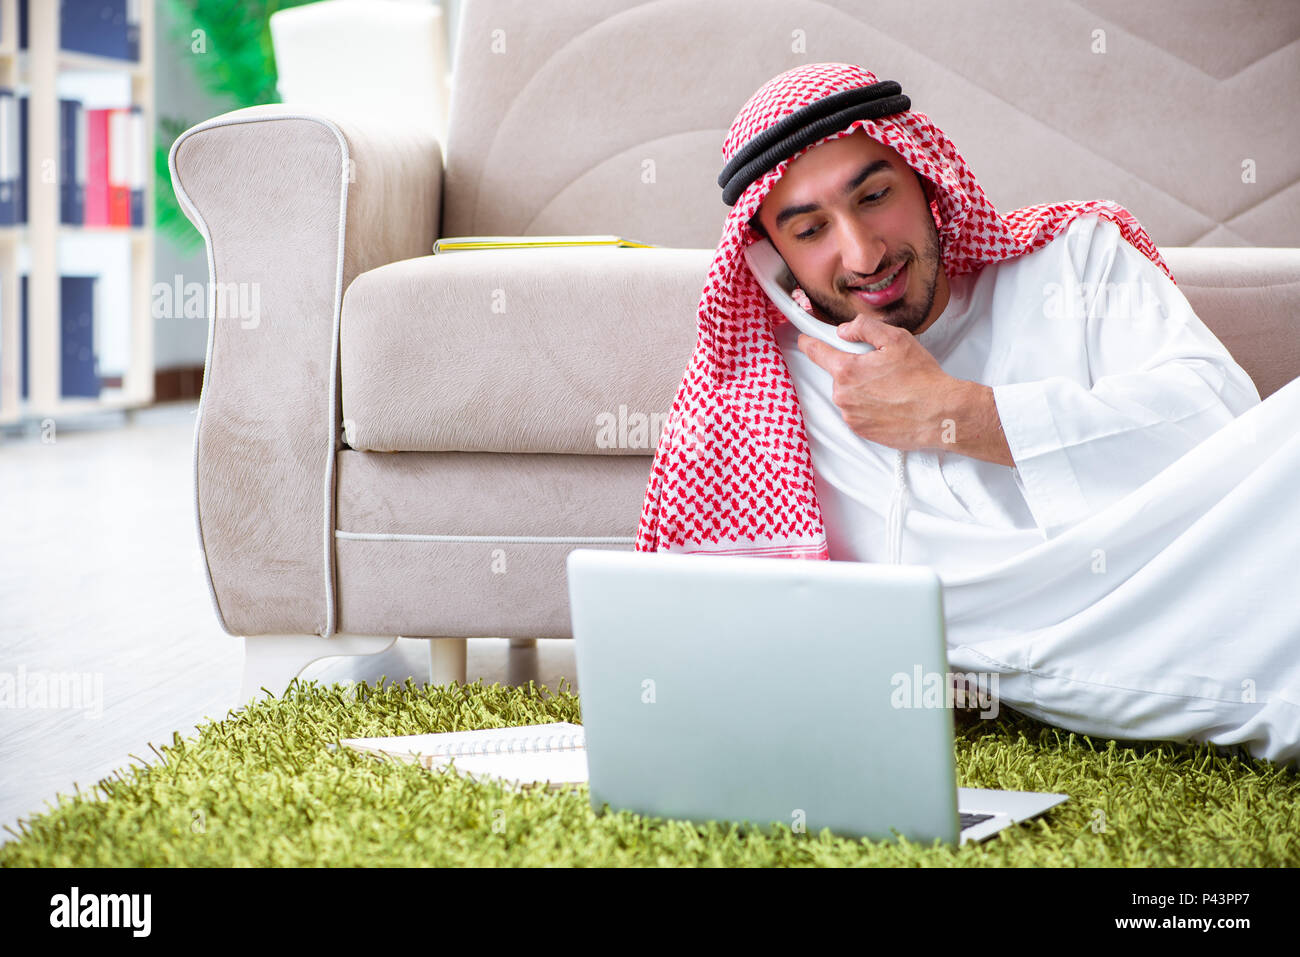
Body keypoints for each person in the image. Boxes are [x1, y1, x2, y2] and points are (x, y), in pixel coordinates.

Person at [636, 62, 1300, 764]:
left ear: (927, 179)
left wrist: (958, 413)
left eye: (874, 195)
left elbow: (1222, 425)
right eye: (809, 231)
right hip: (1109, 663)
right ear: (771, 260)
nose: (863, 253)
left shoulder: (1076, 262)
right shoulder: (764, 388)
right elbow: (719, 641)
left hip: (1225, 558)